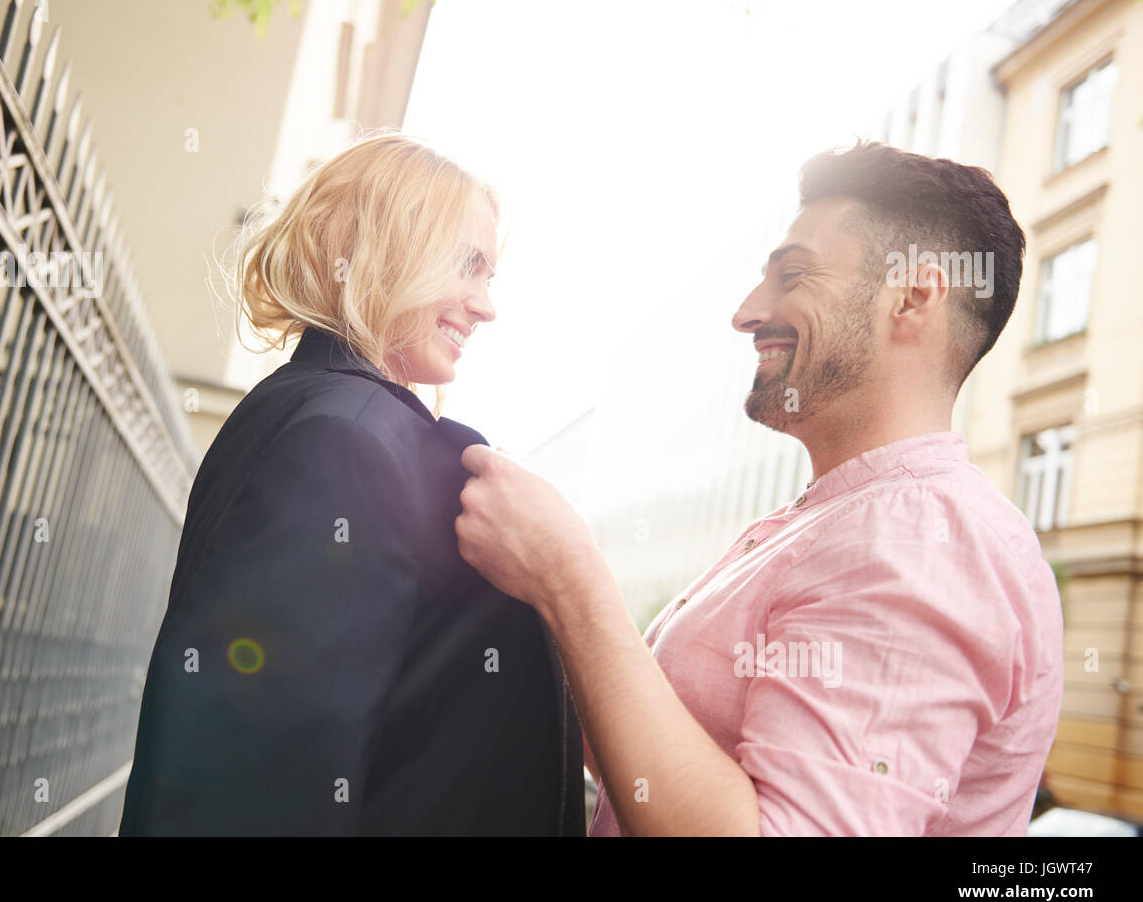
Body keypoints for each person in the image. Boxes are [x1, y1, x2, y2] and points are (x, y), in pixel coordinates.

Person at [455, 140, 1064, 836]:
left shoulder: (916, 543)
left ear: (913, 297)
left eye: (793, 276)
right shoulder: (849, 518)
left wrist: (571, 580)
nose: (746, 311)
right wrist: (534, 584)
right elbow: (654, 764)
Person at [119, 132, 584, 835]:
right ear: (383, 247)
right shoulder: (348, 439)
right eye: (468, 266)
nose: (485, 306)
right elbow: (254, 780)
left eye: (490, 277)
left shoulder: (322, 410)